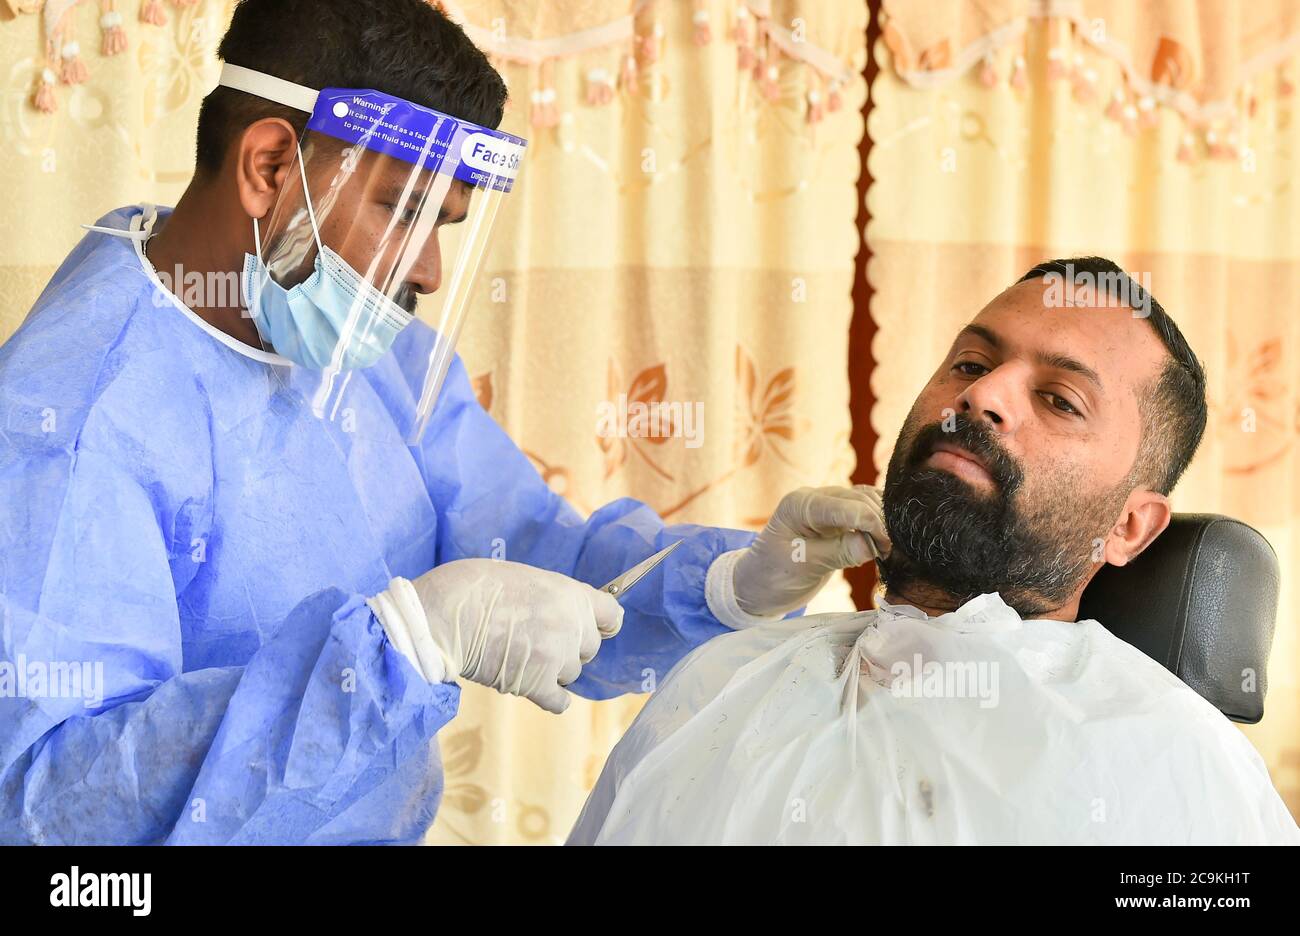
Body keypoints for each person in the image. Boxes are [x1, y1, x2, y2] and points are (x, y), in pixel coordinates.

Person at [0, 0, 887, 845]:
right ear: (271, 167)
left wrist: (735, 584)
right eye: (401, 209)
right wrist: (402, 649)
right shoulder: (73, 415)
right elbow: (53, 810)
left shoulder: (358, 345)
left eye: (445, 225)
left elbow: (539, 556)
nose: (425, 268)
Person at [569, 258, 1300, 845]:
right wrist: (729, 588)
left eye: (1060, 399)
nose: (984, 396)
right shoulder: (723, 680)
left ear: (1131, 527)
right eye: (971, 362)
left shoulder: (1168, 765)